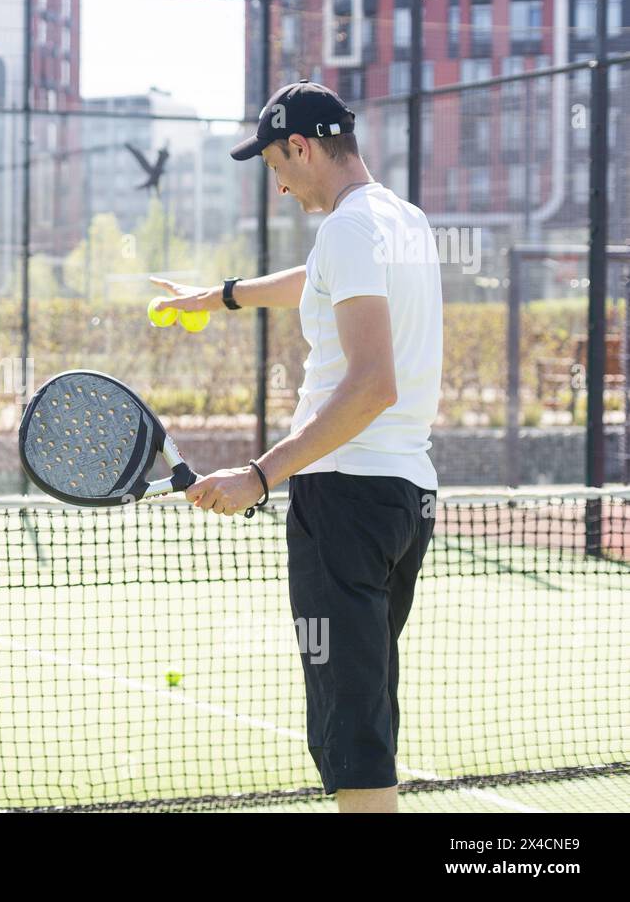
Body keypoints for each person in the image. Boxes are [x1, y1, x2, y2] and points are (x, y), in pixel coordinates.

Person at [151, 80, 442, 813]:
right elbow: (318, 284)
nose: (278, 185)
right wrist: (218, 297)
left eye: (277, 166)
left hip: (341, 499)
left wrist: (260, 472)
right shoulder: (402, 221)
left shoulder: (345, 228)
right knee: (365, 704)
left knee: (351, 731)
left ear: (302, 147)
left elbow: (374, 385)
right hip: (405, 500)